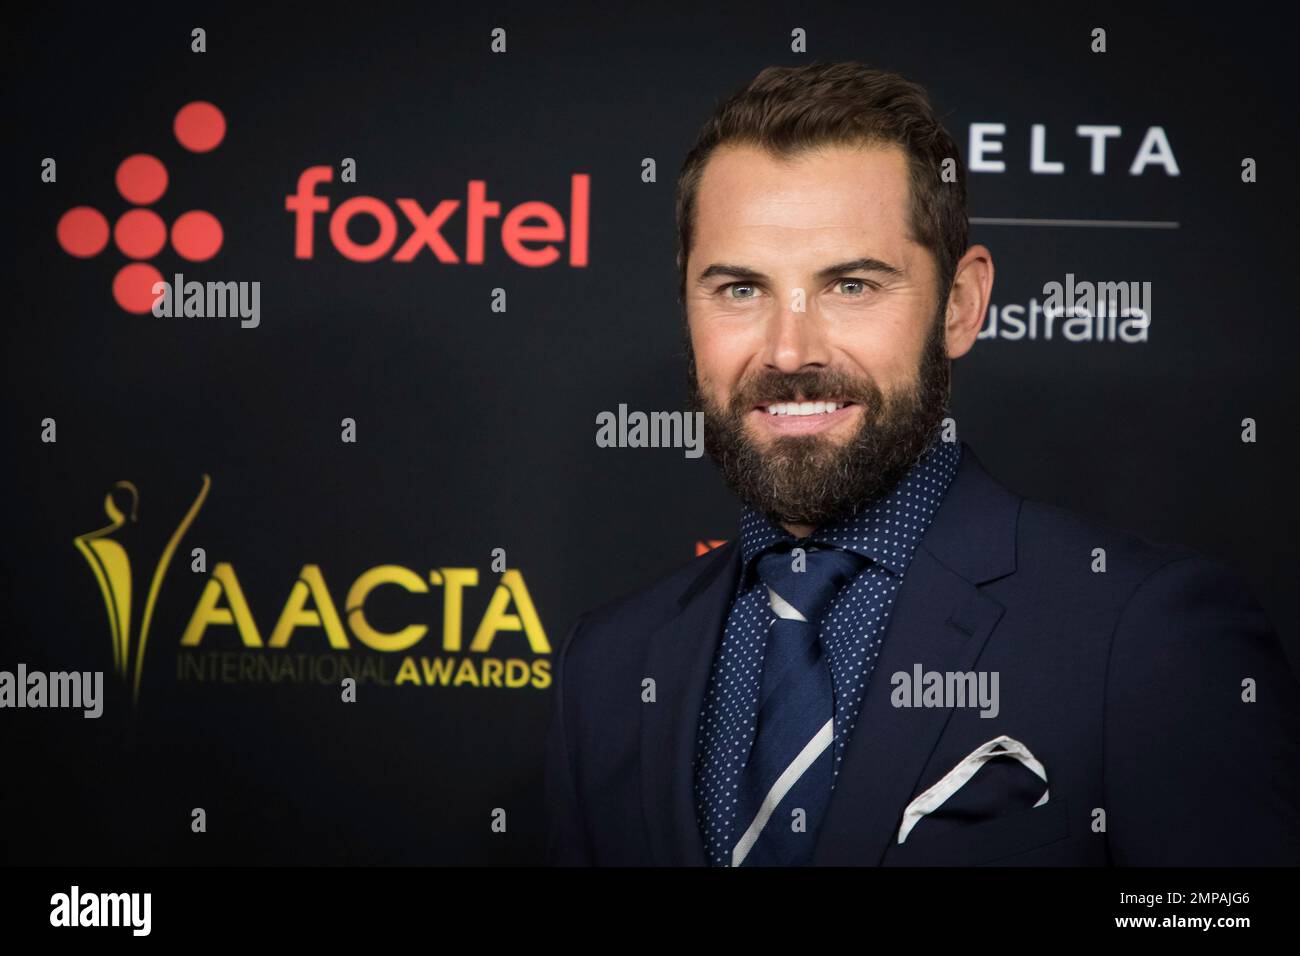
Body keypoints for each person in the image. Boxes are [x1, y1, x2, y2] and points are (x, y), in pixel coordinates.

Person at [544, 61, 1300, 866]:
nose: (790, 350)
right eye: (739, 290)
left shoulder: (1146, 636)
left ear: (962, 305)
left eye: (852, 285)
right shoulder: (610, 666)